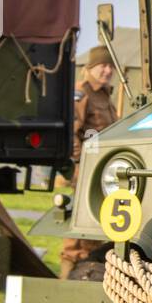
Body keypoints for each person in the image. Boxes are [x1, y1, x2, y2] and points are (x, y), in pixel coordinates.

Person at [60, 45, 119, 278]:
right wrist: (78, 165)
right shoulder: (81, 94)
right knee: (76, 237)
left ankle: (86, 280)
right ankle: (65, 287)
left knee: (95, 230)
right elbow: (73, 132)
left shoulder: (104, 95)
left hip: (101, 173)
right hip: (86, 172)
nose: (107, 71)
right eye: (103, 66)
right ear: (91, 68)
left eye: (110, 66)